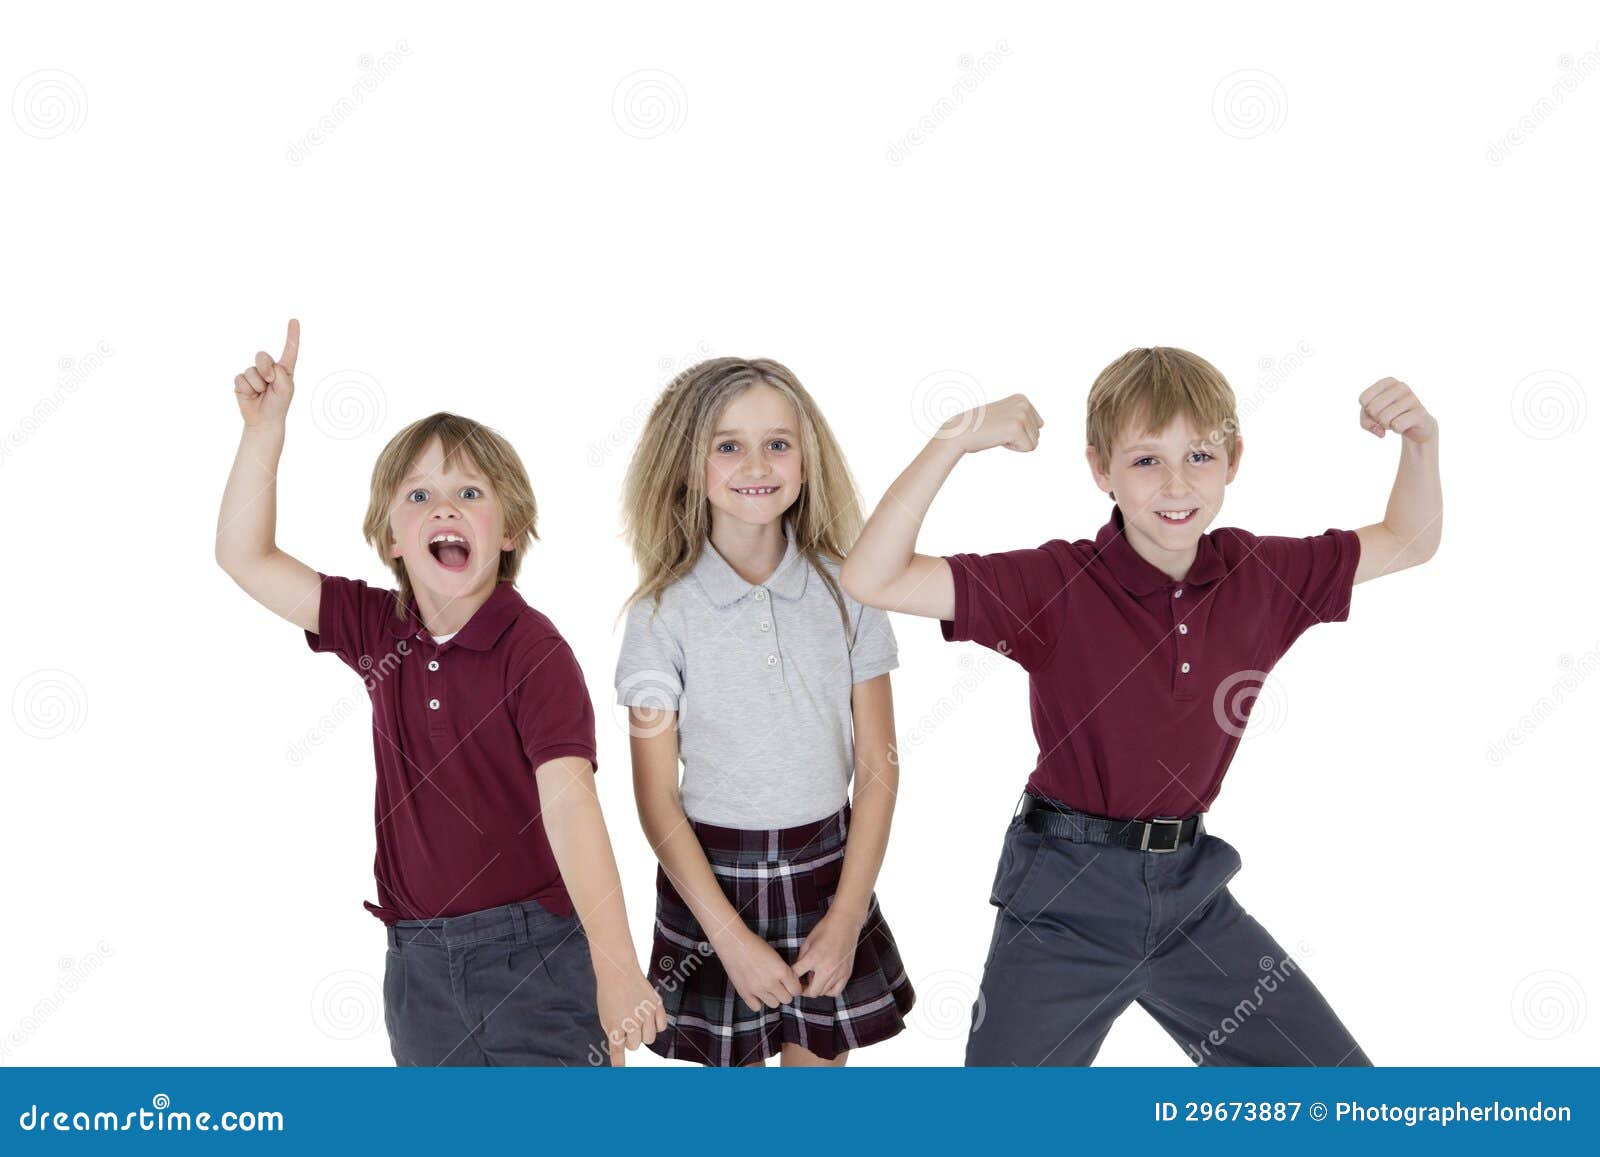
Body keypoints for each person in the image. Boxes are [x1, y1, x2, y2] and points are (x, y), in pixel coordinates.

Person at [841, 347, 1441, 1065]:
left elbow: (1410, 540)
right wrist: (954, 438)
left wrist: (1421, 441)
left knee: (1343, 1099)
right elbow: (873, 575)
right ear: (1101, 470)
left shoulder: (1261, 574)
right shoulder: (1057, 583)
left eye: (1198, 455)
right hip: (1064, 898)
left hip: (1192, 895)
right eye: (1146, 461)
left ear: (1234, 459)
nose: (1177, 483)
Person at [215, 319, 664, 1066]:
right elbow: (244, 554)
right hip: (418, 966)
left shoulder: (534, 651)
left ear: (511, 528)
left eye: (469, 492)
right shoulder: (375, 626)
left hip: (537, 960)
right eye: (419, 494)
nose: (443, 508)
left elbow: (572, 802)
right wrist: (266, 431)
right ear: (391, 537)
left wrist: (617, 971)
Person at [615, 356, 916, 1066]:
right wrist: (728, 938)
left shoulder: (852, 590)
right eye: (728, 445)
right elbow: (656, 797)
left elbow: (878, 764)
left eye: (778, 442)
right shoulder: (660, 614)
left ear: (807, 461)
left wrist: (845, 918)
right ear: (689, 467)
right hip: (714, 884)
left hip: (830, 872)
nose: (757, 462)